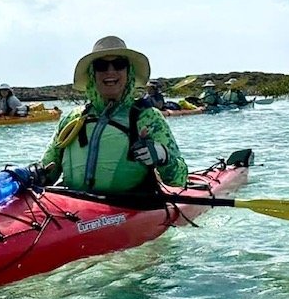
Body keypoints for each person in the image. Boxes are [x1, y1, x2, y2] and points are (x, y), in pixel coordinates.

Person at [30, 36, 187, 194]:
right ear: (93, 73)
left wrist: (164, 157)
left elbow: (178, 179)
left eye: (119, 64)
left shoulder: (148, 117)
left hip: (129, 208)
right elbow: (47, 170)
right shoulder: (72, 119)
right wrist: (33, 174)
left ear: (129, 72)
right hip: (72, 208)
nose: (110, 71)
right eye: (101, 66)